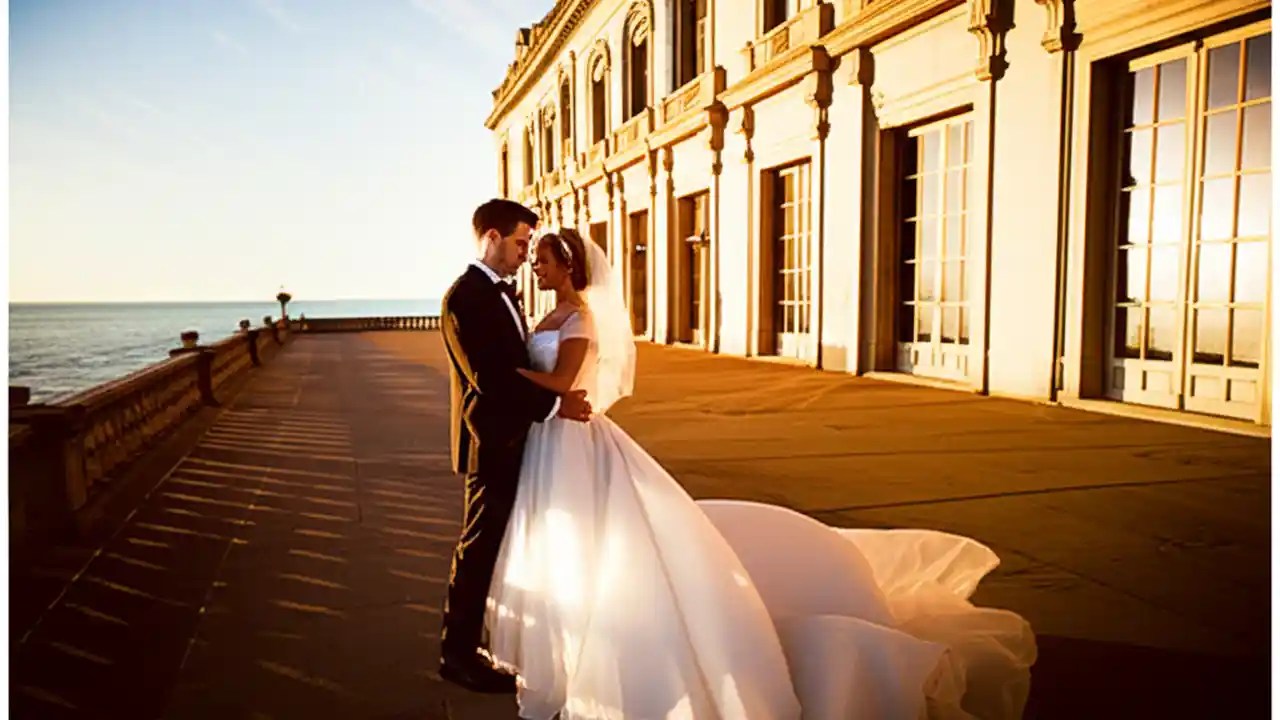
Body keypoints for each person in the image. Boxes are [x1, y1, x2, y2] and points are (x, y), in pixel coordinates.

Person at [482, 226, 1038, 720]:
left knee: (597, 539)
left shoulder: (580, 317)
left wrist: (504, 372)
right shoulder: (549, 314)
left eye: (546, 259)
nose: (537, 266)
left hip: (572, 439)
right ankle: (562, 645)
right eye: (535, 259)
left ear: (569, 267)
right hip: (550, 439)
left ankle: (605, 648)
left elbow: (562, 384)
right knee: (559, 539)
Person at [437, 200, 593, 694]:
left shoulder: (498, 292)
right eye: (522, 243)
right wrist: (555, 407)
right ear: (491, 238)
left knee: (497, 546)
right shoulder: (467, 296)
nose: (526, 254)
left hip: (512, 436)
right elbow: (489, 377)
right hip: (492, 440)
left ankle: (475, 644)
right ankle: (457, 655)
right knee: (479, 548)